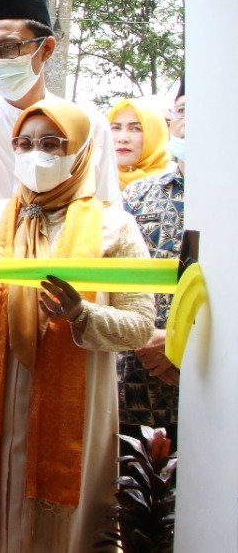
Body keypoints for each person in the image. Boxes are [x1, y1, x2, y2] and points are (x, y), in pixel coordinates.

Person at [0, 99, 154, 551]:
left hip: (76, 399)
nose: (36, 154)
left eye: (52, 144)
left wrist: (81, 315)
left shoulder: (114, 227)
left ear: (83, 151)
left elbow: (140, 325)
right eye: (24, 143)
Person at [0, 0, 119, 265]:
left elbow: (105, 204)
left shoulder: (88, 122)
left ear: (46, 48)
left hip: (66, 273)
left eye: (9, 47)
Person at [118, 81, 186, 448]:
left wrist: (183, 347)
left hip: (210, 384)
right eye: (184, 110)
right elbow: (112, 282)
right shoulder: (138, 195)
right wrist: (148, 338)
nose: (191, 123)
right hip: (136, 387)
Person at [107, 97, 170, 189]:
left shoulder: (175, 181)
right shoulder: (95, 181)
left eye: (136, 129)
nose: (123, 138)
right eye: (116, 128)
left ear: (154, 135)